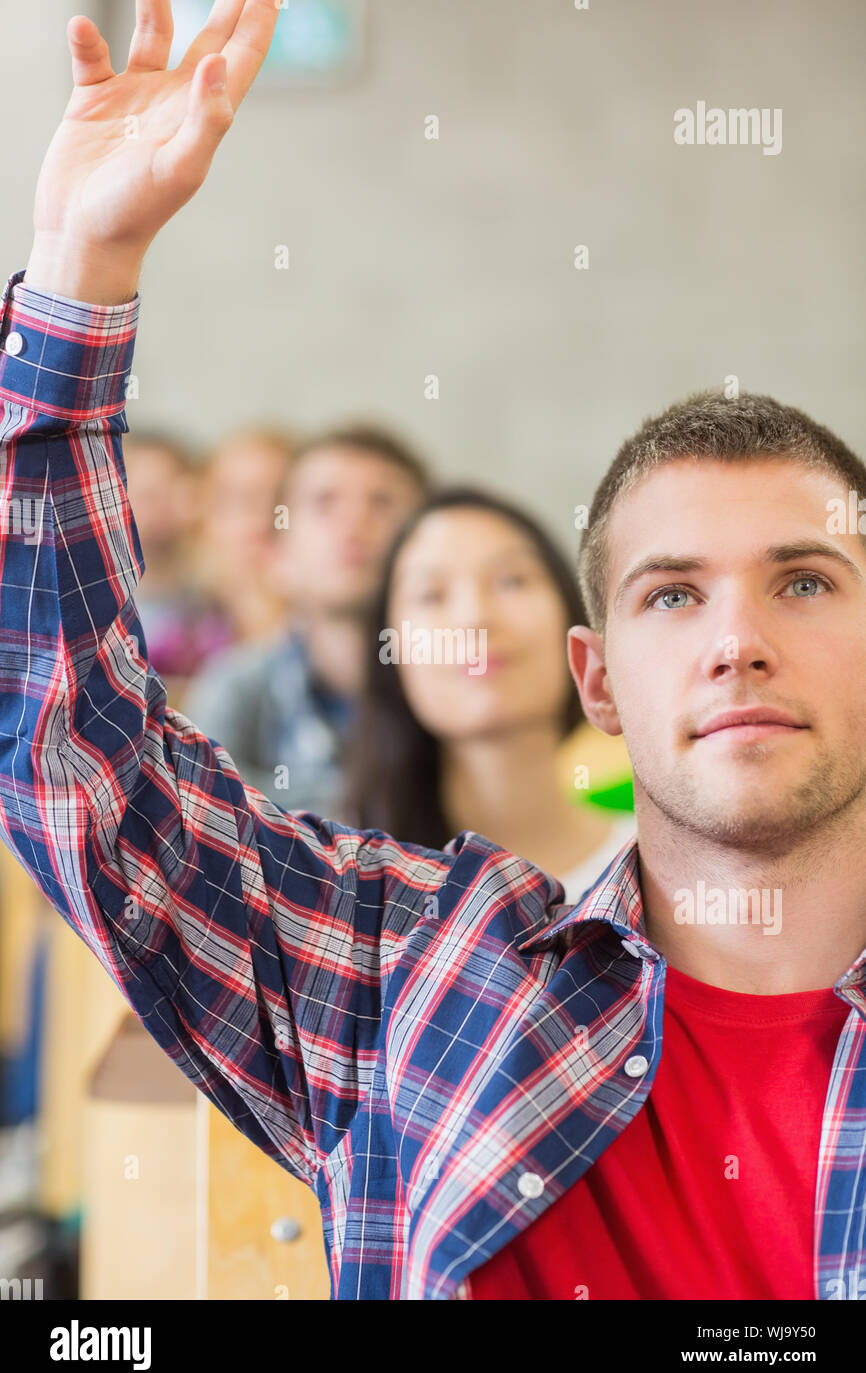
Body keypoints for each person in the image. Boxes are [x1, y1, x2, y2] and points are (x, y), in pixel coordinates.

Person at [0, 0, 864, 1303]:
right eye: (672, 597)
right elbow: (78, 757)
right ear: (597, 682)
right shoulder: (411, 969)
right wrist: (77, 268)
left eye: (802, 581)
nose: (738, 641)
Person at [348, 487, 635, 898]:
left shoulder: (666, 874)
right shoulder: (344, 890)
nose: (474, 617)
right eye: (431, 595)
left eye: (511, 581)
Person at [185, 424, 430, 814]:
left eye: (383, 502)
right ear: (278, 555)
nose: (354, 522)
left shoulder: (458, 687)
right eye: (323, 502)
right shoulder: (234, 693)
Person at [123, 429, 235, 703]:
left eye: (172, 489)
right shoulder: (85, 603)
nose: (163, 505)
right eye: (149, 493)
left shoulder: (222, 592)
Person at [192, 424, 298, 645]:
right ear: (205, 518)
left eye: (281, 499)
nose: (262, 520)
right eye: (240, 499)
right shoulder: (175, 645)